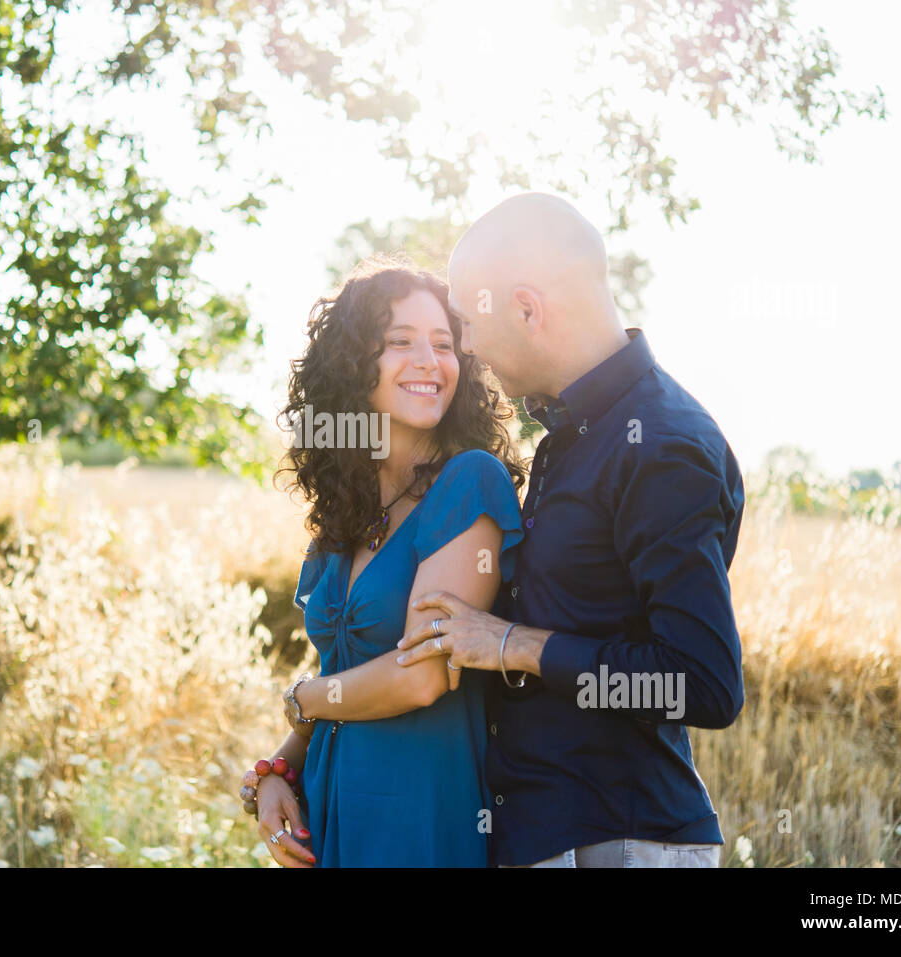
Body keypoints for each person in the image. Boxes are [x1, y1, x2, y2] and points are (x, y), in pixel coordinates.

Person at [397, 192, 745, 867]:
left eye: (467, 323)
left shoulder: (661, 443)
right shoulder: (570, 432)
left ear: (527, 308)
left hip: (617, 838)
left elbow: (701, 682)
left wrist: (513, 644)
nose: (464, 347)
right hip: (544, 831)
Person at [239, 259, 525, 866]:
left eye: (444, 344)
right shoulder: (346, 511)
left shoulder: (469, 484)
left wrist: (302, 697)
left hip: (422, 815)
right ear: (351, 365)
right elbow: (345, 675)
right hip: (334, 808)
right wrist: (275, 772)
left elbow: (420, 675)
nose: (429, 360)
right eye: (401, 341)